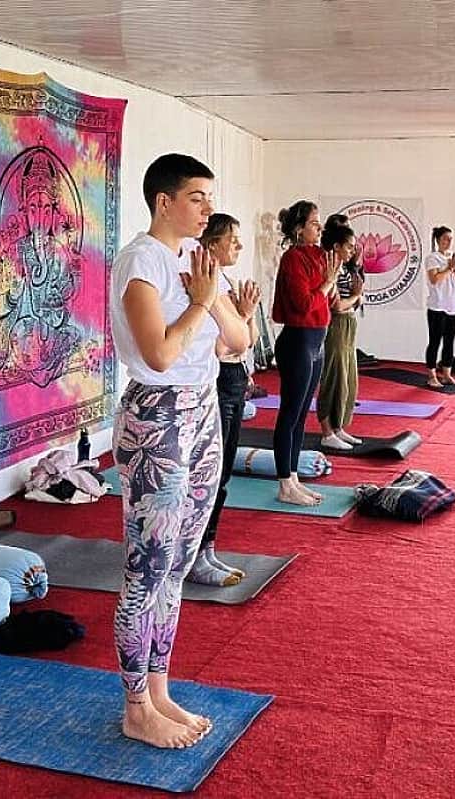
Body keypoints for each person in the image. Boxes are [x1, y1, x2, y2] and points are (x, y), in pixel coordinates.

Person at [110, 153, 250, 748]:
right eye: (197, 197)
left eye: (209, 197)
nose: (207, 208)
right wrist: (199, 303)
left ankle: (159, 688)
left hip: (201, 411)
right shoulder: (141, 260)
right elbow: (159, 355)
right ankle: (134, 704)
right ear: (164, 201)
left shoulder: (197, 261)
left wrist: (212, 293)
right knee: (148, 567)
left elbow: (239, 342)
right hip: (157, 417)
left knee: (177, 566)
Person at [186, 212, 261, 587]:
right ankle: (194, 554)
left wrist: (245, 317)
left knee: (223, 474)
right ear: (211, 244)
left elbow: (249, 339)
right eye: (232, 240)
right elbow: (217, 346)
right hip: (216, 381)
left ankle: (206, 548)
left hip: (234, 379)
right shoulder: (204, 285)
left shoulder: (224, 281)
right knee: (207, 474)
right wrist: (242, 319)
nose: (239, 246)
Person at [271, 200, 340, 506]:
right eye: (314, 223)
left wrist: (332, 285)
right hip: (297, 341)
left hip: (317, 341)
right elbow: (303, 303)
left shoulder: (318, 255)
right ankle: (284, 483)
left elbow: (327, 301)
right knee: (289, 414)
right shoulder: (292, 258)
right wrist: (326, 285)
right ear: (299, 229)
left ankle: (294, 478)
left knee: (301, 416)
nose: (319, 227)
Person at [316, 217, 364, 450]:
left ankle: (339, 427)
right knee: (333, 377)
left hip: (348, 324)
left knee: (347, 378)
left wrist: (354, 297)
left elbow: (349, 301)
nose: (352, 250)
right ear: (336, 246)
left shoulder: (345, 267)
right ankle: (327, 431)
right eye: (349, 246)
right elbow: (336, 305)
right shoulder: (330, 266)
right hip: (335, 325)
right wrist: (355, 297)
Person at [424, 225, 455, 388]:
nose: (448, 242)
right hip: (437, 306)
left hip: (453, 306)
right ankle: (431, 375)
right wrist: (449, 268)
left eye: (450, 239)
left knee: (449, 342)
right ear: (438, 240)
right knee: (435, 341)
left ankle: (447, 375)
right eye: (445, 239)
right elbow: (435, 279)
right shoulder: (432, 258)